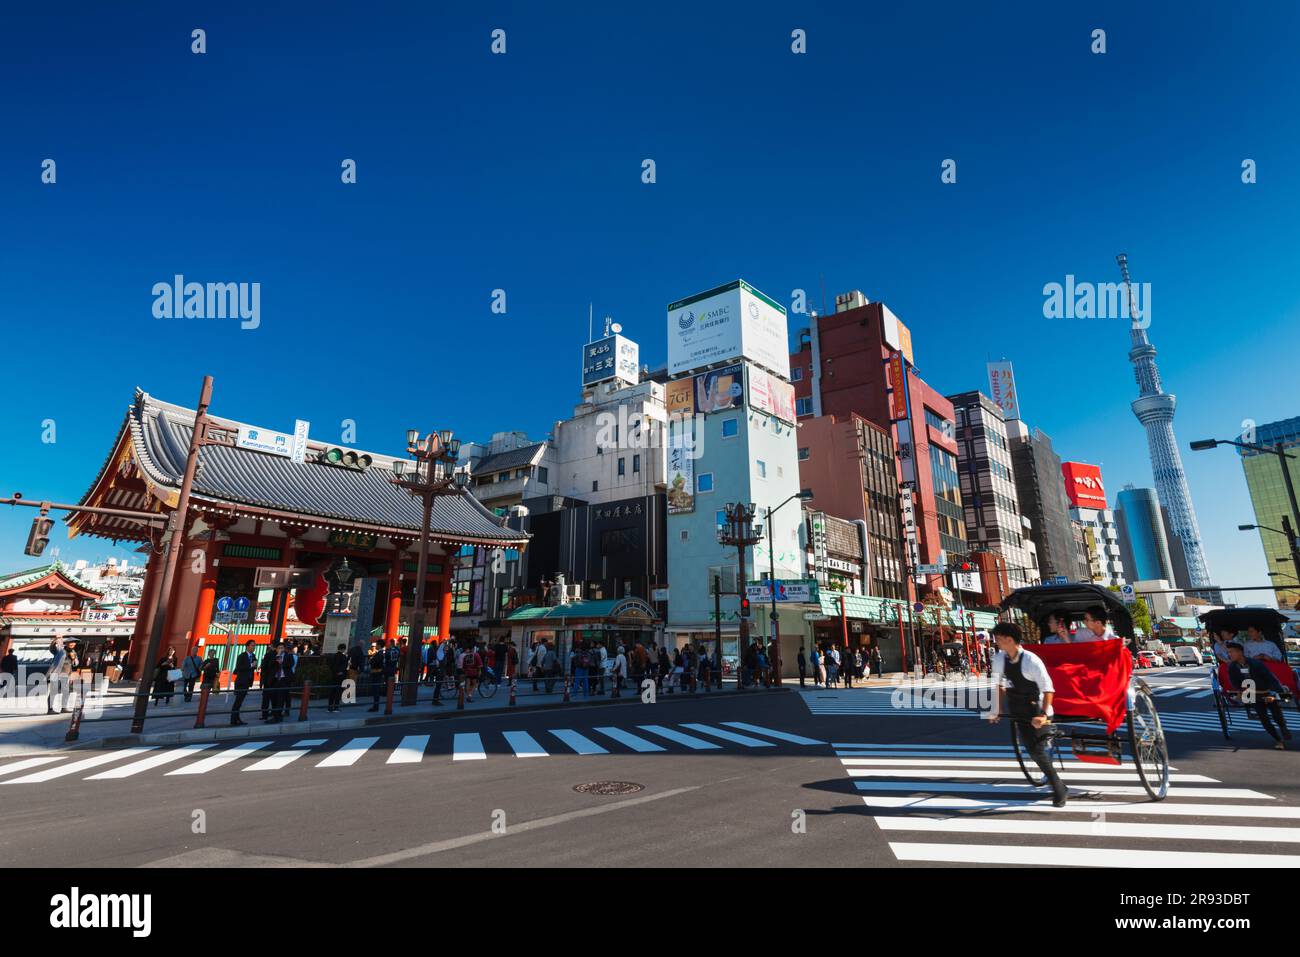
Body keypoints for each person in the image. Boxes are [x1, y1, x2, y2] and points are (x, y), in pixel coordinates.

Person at [987, 622, 1067, 807]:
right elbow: (999, 685)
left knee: (1036, 751)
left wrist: (1043, 715)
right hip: (1018, 709)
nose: (996, 642)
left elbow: (1048, 689)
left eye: (999, 639)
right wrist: (997, 709)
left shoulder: (1031, 661)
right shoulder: (999, 659)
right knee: (1031, 750)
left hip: (1037, 709)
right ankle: (1058, 785)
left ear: (1009, 640)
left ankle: (1059, 788)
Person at [1224, 641, 1292, 749]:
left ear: (1240, 652)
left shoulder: (1255, 664)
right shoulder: (1232, 667)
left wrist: (1279, 691)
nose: (1229, 655)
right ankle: (1278, 740)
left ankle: (1283, 728)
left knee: (1276, 715)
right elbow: (1234, 681)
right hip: (1254, 695)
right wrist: (1239, 691)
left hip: (1267, 692)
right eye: (1228, 652)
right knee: (1264, 719)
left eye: (1231, 652)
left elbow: (1270, 678)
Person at [230, 640, 258, 726]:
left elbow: (254, 666)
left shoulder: (253, 656)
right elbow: (239, 667)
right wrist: (250, 665)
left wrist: (254, 665)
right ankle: (234, 720)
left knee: (240, 701)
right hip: (241, 681)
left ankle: (237, 718)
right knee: (238, 701)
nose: (254, 647)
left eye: (254, 646)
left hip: (248, 681)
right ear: (247, 646)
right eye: (252, 645)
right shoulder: (242, 656)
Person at [327, 642, 349, 712]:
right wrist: (341, 672)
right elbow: (345, 667)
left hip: (334, 675)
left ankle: (330, 707)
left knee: (332, 691)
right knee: (338, 692)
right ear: (343, 649)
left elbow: (331, 666)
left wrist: (335, 672)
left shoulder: (333, 656)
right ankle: (336, 707)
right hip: (341, 676)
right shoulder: (344, 657)